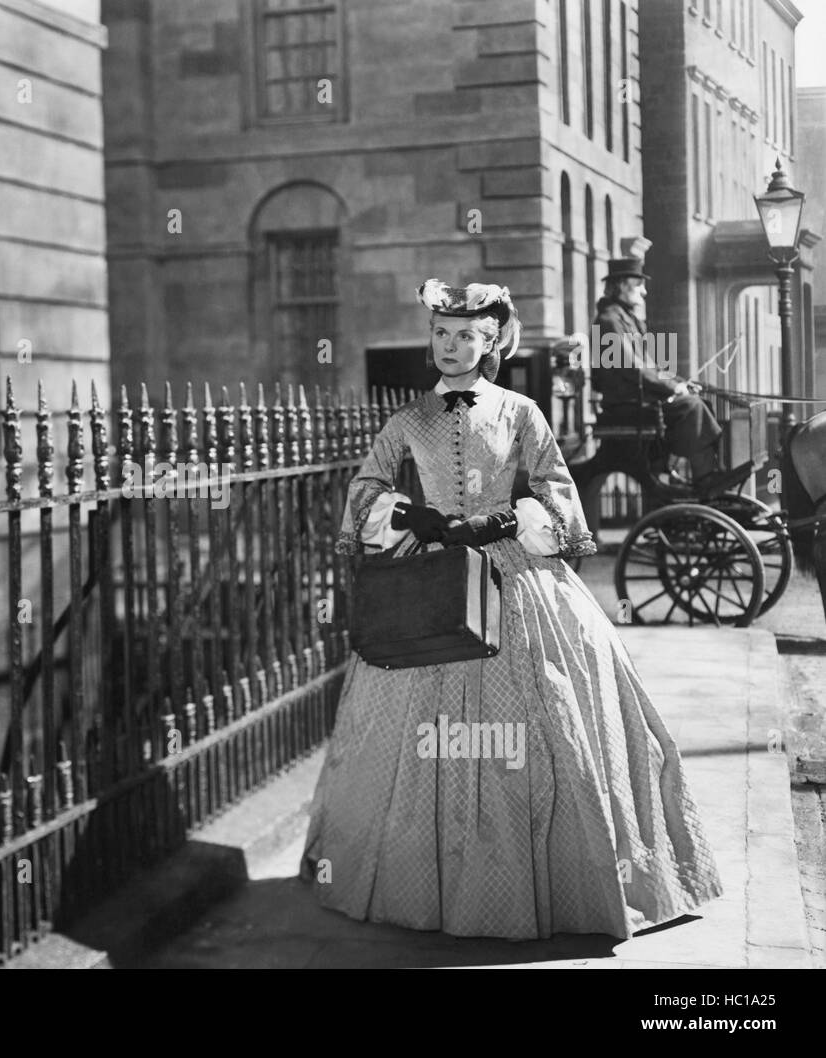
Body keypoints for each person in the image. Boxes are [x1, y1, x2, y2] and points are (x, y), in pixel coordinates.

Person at [301, 279, 722, 940]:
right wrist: (416, 518)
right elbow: (363, 492)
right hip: (439, 577)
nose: (450, 345)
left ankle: (571, 883)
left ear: (492, 341)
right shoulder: (409, 419)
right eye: (440, 333)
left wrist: (509, 515)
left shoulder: (522, 412)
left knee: (556, 716)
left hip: (516, 576)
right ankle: (424, 885)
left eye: (465, 335)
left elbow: (558, 490)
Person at [590, 248, 751, 495]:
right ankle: (704, 478)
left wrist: (681, 382)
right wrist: (674, 388)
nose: (644, 291)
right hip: (626, 405)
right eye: (639, 284)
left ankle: (709, 472)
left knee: (700, 401)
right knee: (691, 407)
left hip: (639, 400)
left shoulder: (628, 319)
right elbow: (634, 370)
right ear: (622, 285)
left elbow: (653, 368)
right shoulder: (609, 321)